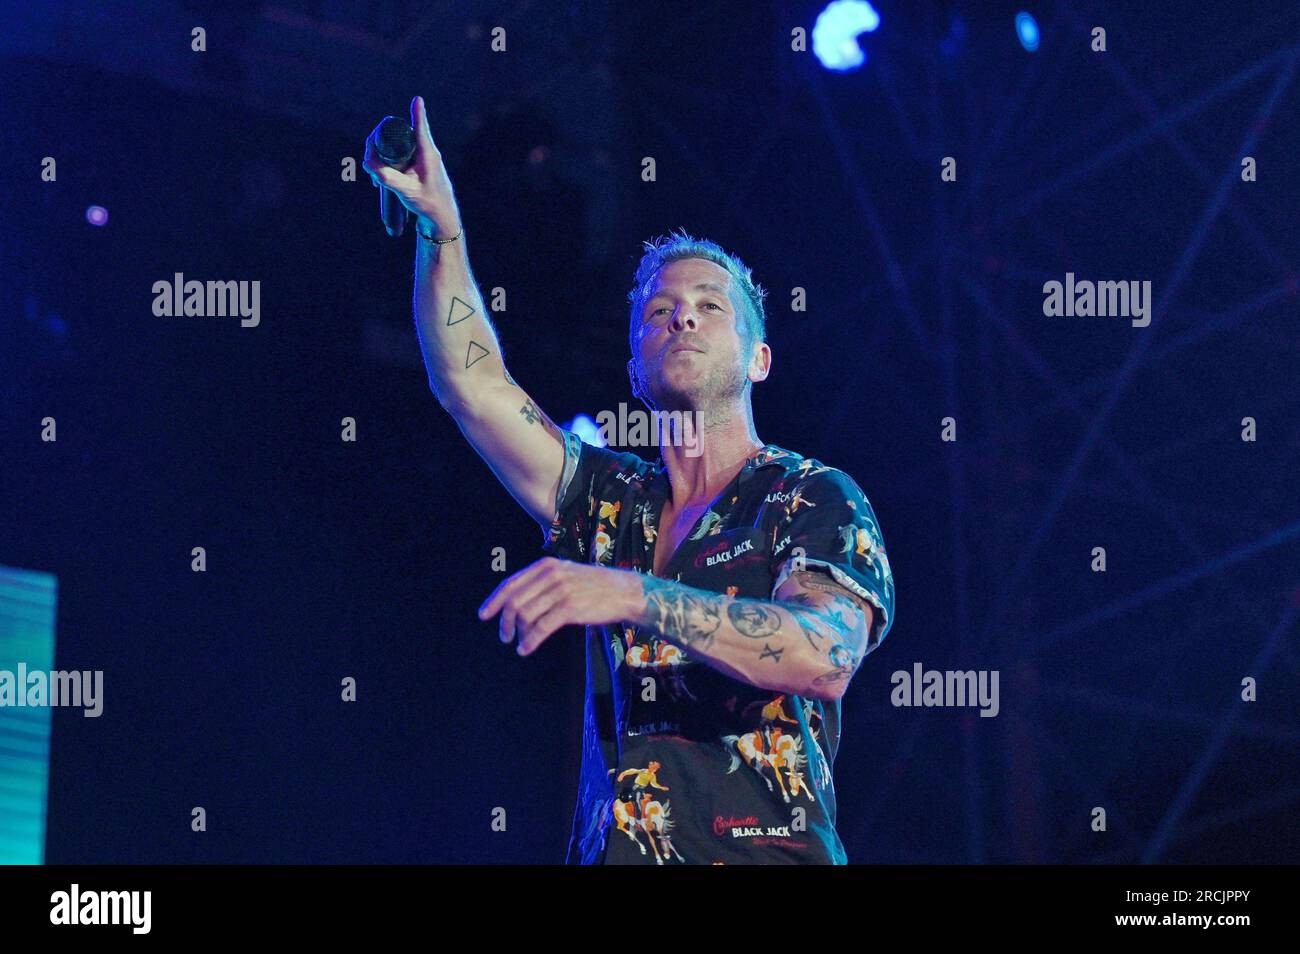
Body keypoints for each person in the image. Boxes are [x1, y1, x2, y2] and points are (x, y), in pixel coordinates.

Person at [365, 96, 896, 864]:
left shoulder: (810, 495)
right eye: (659, 310)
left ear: (759, 360)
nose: (681, 318)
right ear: (633, 369)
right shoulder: (609, 502)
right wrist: (442, 233)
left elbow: (824, 655)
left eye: (710, 307)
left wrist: (633, 595)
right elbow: (473, 389)